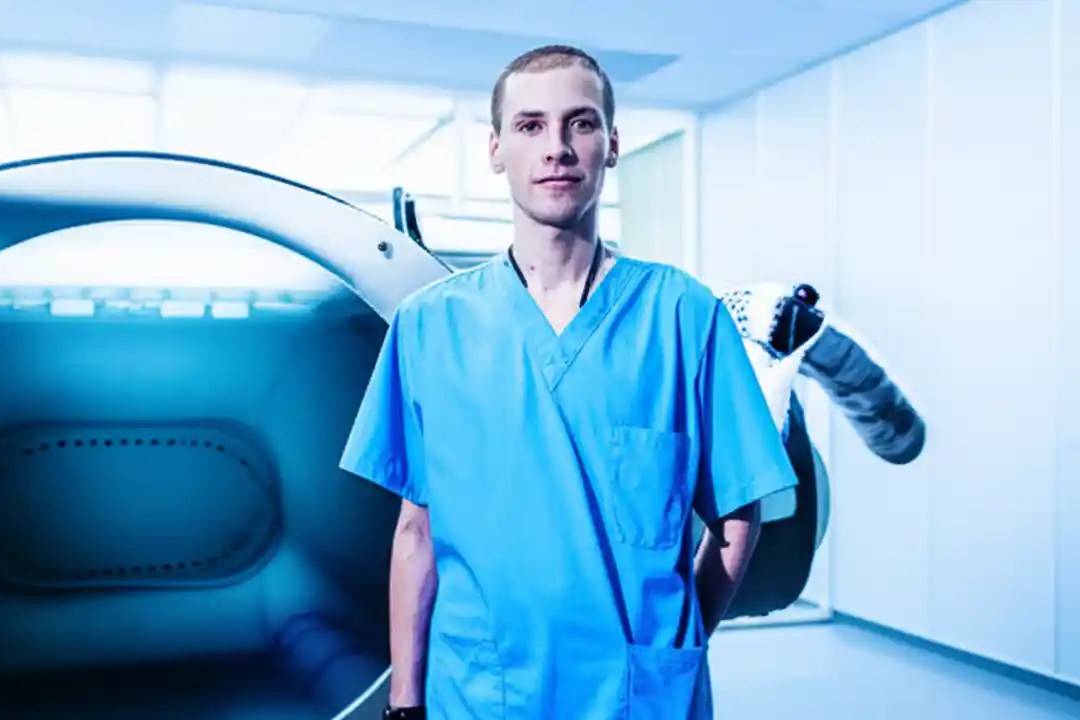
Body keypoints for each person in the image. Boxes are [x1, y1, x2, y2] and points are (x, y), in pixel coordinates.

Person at [339, 44, 799, 719]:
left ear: (612, 145)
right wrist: (405, 701)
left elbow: (739, 512)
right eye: (530, 126)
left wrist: (676, 645)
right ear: (496, 150)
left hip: (639, 697)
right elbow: (416, 532)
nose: (556, 147)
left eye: (579, 124)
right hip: (480, 691)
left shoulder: (681, 316)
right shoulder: (430, 327)